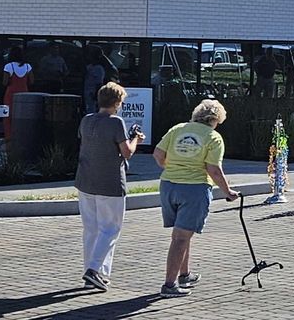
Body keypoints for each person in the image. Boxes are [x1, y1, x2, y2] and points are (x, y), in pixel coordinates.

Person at [153, 99, 238, 298]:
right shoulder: (213, 137)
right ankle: (169, 284)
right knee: (181, 237)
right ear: (216, 119)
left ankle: (184, 274)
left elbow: (157, 154)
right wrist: (227, 191)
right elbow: (213, 169)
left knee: (182, 233)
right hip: (194, 188)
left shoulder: (177, 129)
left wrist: (172, 168)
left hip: (168, 186)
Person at [76, 82, 143, 291]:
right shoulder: (116, 122)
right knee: (110, 229)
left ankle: (96, 273)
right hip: (110, 182)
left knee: (91, 229)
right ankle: (94, 269)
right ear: (116, 103)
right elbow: (127, 152)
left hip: (85, 180)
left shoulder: (87, 120)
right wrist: (135, 139)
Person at [1, 47, 32, 140]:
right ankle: (21, 136)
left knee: (8, 117)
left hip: (11, 94)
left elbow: (5, 82)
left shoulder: (8, 66)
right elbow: (32, 81)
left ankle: (9, 137)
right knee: (22, 116)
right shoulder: (28, 66)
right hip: (24, 94)